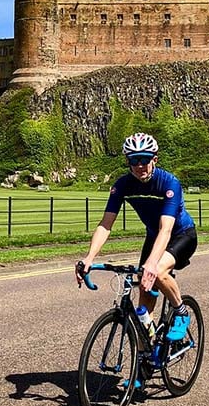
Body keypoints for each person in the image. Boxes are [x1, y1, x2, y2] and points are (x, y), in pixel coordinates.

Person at [76, 132, 197, 343]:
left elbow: (165, 229)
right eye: (134, 160)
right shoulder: (122, 185)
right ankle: (143, 365)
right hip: (153, 237)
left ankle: (181, 312)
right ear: (127, 161)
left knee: (157, 271)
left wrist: (151, 263)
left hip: (181, 235)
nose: (140, 165)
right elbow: (106, 224)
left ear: (154, 160)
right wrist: (89, 258)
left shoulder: (169, 183)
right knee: (143, 305)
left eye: (144, 159)